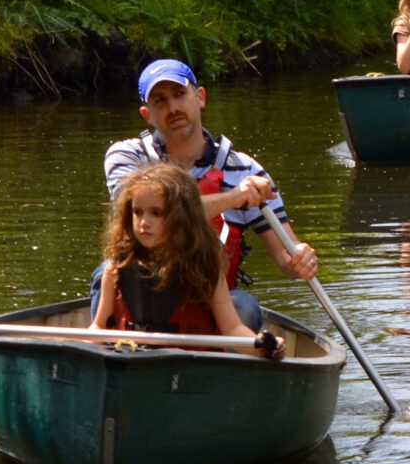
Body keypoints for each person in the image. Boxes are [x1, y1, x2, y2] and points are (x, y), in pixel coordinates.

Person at [102, 58, 320, 329]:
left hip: (214, 298)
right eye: (160, 101)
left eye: (179, 94)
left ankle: (230, 353)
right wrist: (233, 198)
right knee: (104, 274)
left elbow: (286, 255)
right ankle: (105, 347)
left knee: (245, 307)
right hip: (143, 293)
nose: (173, 107)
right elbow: (149, 215)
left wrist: (299, 259)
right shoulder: (128, 157)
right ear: (147, 114)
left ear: (200, 97)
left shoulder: (246, 170)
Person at [90, 162, 278, 356]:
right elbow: (98, 327)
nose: (144, 223)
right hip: (130, 360)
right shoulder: (116, 267)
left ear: (181, 218)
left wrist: (264, 349)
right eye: (138, 212)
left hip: (190, 366)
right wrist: (78, 347)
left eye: (156, 213)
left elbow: (232, 329)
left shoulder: (206, 269)